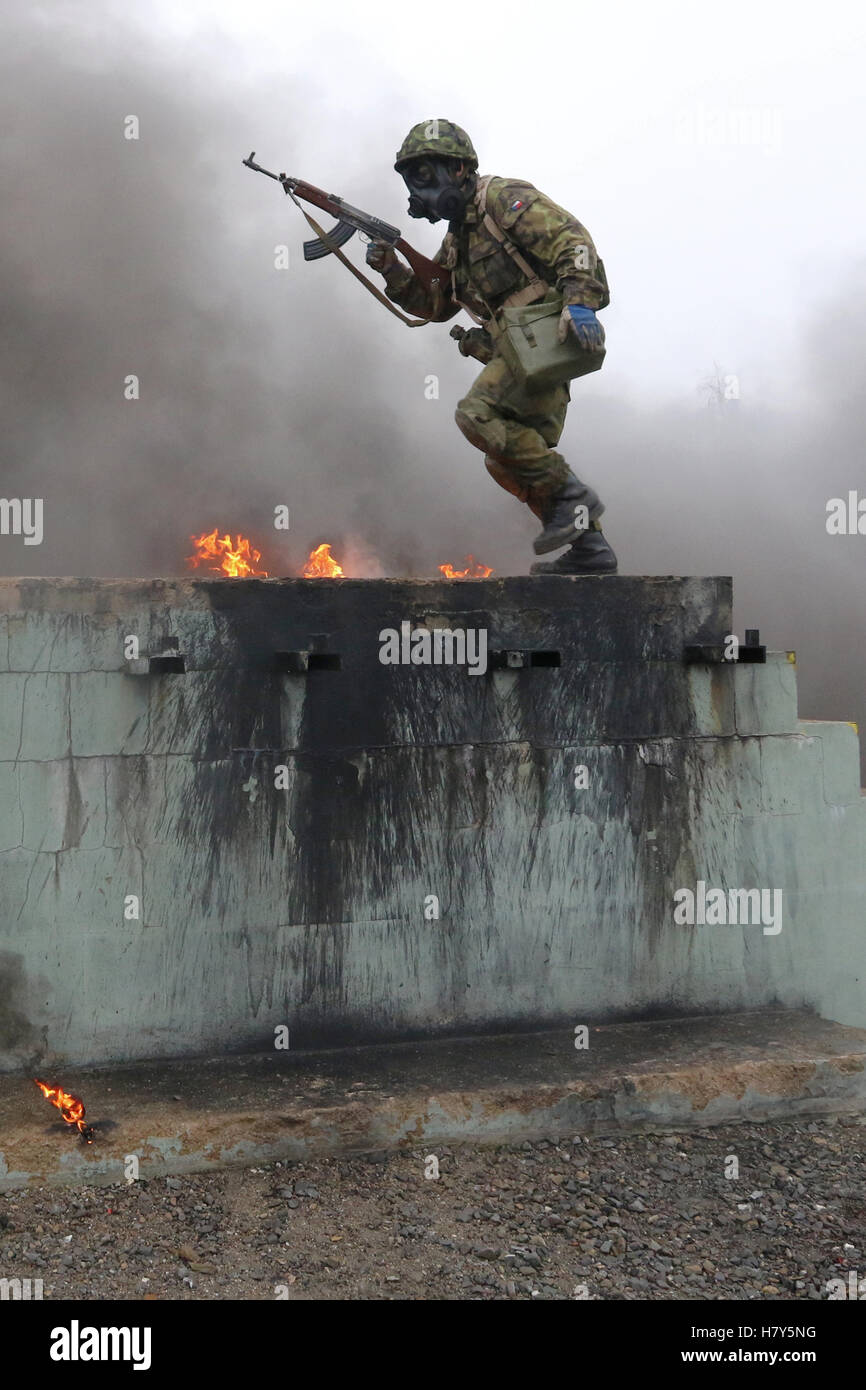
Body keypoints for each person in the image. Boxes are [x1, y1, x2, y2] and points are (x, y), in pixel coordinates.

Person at [366, 119, 617, 574]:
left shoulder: (503, 201)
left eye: (426, 175)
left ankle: (574, 498)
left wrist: (580, 303)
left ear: (460, 170)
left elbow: (573, 241)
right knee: (503, 461)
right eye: (411, 179)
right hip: (520, 355)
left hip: (550, 341)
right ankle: (590, 548)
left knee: (476, 414)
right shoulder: (455, 240)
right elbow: (437, 305)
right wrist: (392, 270)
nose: (419, 190)